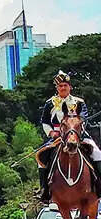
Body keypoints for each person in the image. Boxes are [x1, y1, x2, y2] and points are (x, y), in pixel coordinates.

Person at [37, 71, 100, 201]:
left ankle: (99, 185)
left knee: (98, 153)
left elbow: (83, 119)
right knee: (41, 157)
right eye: (60, 86)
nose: (63, 88)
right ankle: (44, 190)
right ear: (57, 88)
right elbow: (45, 122)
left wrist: (74, 131)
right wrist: (51, 133)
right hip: (57, 135)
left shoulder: (79, 102)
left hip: (78, 134)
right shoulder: (50, 103)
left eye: (65, 85)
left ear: (70, 87)